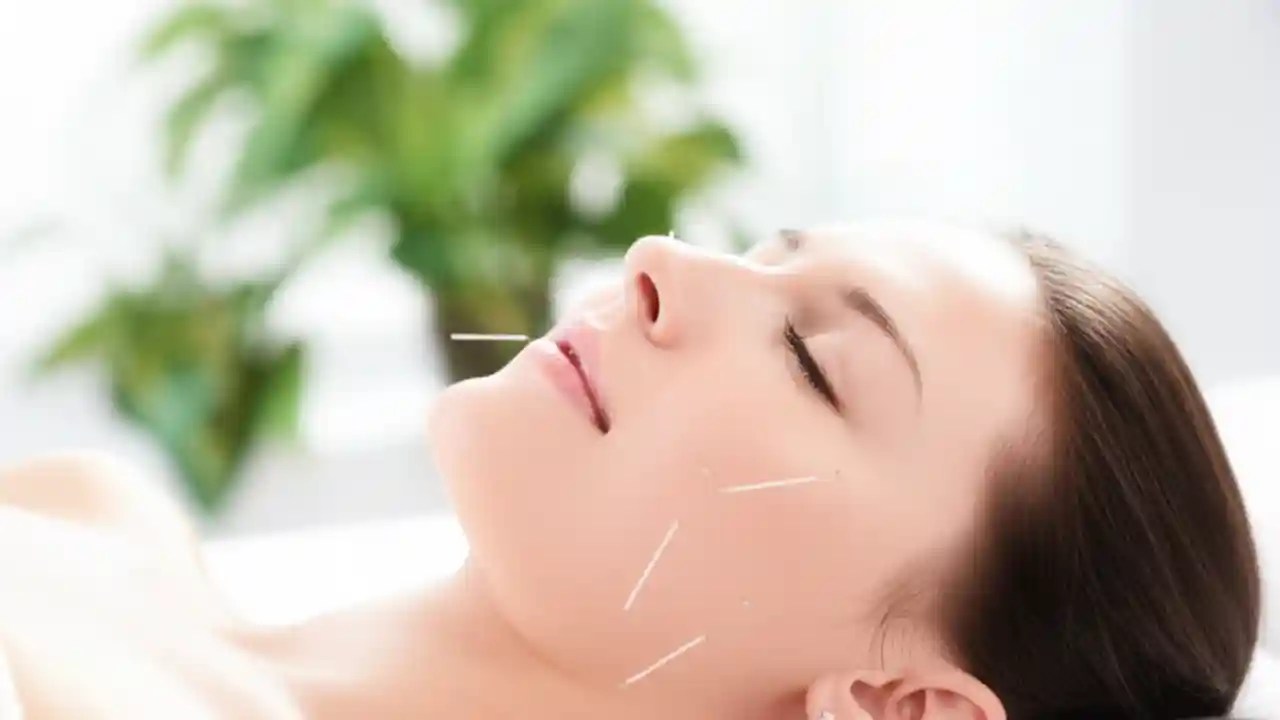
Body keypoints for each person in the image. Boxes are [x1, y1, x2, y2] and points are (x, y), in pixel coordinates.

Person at [0, 220, 1259, 719]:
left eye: (813, 362)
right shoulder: (100, 515)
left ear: (896, 709)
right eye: (761, 249)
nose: (661, 259)